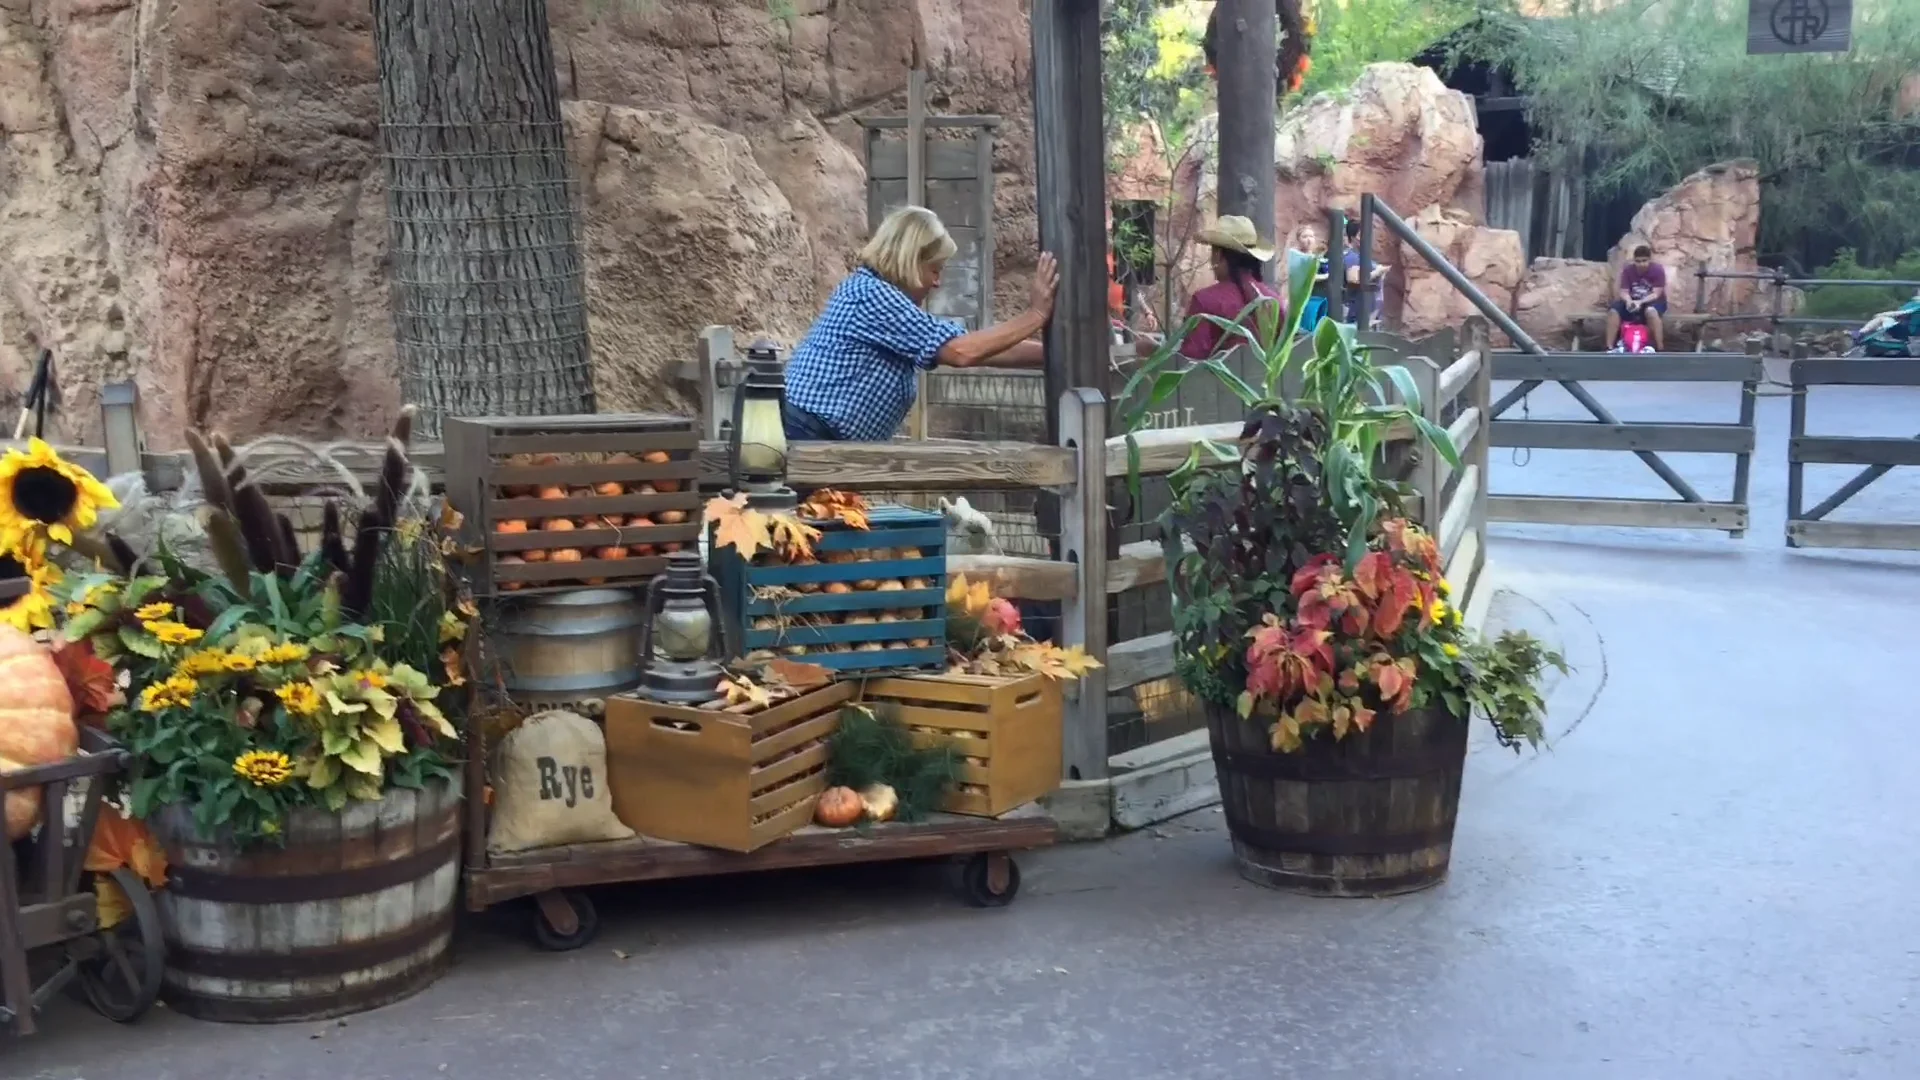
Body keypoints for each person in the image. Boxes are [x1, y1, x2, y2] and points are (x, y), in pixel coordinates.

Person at [782, 206, 1058, 441]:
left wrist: (1057, 355)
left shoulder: (879, 296)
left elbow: (979, 349)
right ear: (909, 261)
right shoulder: (871, 295)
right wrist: (1034, 315)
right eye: (934, 270)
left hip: (819, 439)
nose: (937, 283)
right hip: (806, 434)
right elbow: (961, 352)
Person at [1178, 215, 1283, 360]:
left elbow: (1190, 360)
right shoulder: (1274, 301)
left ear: (1218, 255)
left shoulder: (1205, 301)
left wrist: (1156, 352)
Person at [1607, 245, 1667, 352]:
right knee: (1613, 311)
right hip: (1632, 301)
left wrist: (1640, 302)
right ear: (1634, 260)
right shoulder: (1628, 270)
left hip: (1653, 301)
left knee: (1651, 312)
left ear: (1650, 260)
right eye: (1638, 261)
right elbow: (1623, 291)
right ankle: (1609, 347)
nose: (1641, 264)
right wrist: (1629, 301)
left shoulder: (1657, 270)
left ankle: (1660, 348)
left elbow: (1656, 294)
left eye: (1644, 261)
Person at [1341, 219, 1389, 328]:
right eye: (1361, 234)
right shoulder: (1351, 257)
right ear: (1353, 237)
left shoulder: (1363, 257)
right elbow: (1353, 278)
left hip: (1371, 314)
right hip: (1359, 315)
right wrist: (1377, 272)